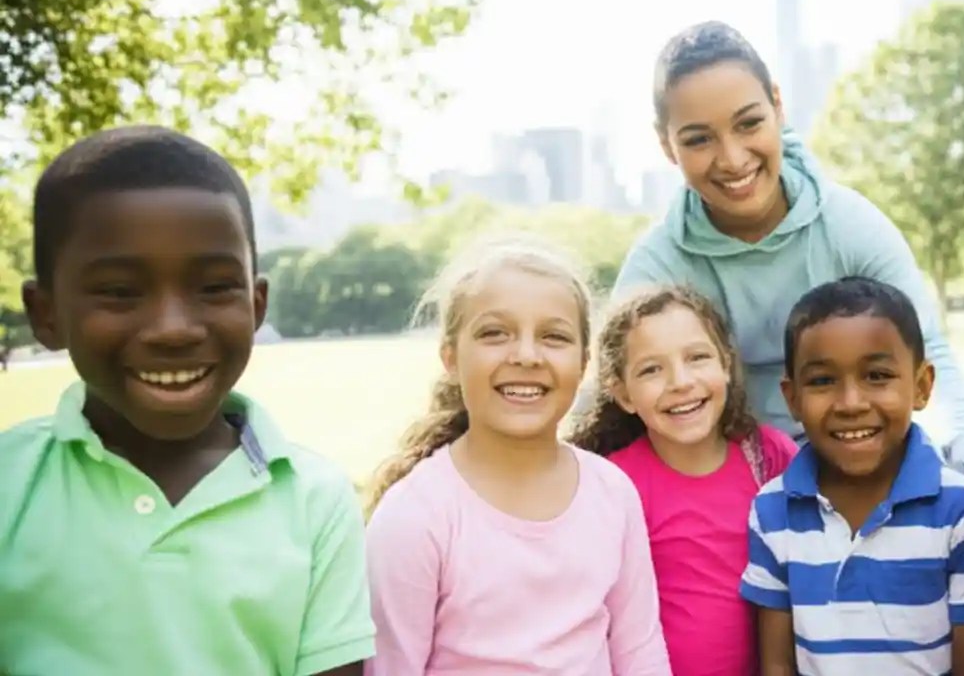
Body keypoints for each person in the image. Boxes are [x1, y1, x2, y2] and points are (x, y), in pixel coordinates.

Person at [0, 126, 374, 675]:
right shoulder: (9, 483)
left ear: (256, 301)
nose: (173, 329)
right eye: (120, 292)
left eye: (214, 287)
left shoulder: (314, 501)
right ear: (46, 314)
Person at [609, 20, 964, 474]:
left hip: (860, 462)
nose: (732, 159)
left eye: (749, 123)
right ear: (667, 146)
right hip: (733, 481)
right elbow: (610, 397)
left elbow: (928, 355)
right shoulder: (658, 264)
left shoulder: (850, 226)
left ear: (777, 105)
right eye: (699, 139)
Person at [362, 236, 671, 675]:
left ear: (583, 364)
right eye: (494, 333)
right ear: (450, 358)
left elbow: (640, 651)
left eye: (553, 336)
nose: (526, 355)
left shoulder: (612, 492)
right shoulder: (415, 516)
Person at [740, 276, 964, 676]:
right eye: (823, 381)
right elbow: (776, 663)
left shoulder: (960, 509)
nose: (851, 403)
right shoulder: (773, 512)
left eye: (876, 376)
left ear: (921, 386)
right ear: (792, 398)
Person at [571, 284, 799, 676]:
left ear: (726, 365)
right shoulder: (611, 482)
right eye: (651, 369)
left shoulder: (769, 457)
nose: (680, 381)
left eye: (697, 358)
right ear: (623, 395)